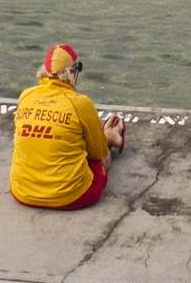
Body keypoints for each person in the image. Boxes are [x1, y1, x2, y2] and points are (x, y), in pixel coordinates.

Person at [10, 43, 126, 209]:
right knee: (98, 159)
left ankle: (108, 134)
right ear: (71, 72)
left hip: (23, 192)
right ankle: (110, 136)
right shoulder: (80, 103)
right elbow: (97, 153)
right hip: (72, 196)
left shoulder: (26, 96)